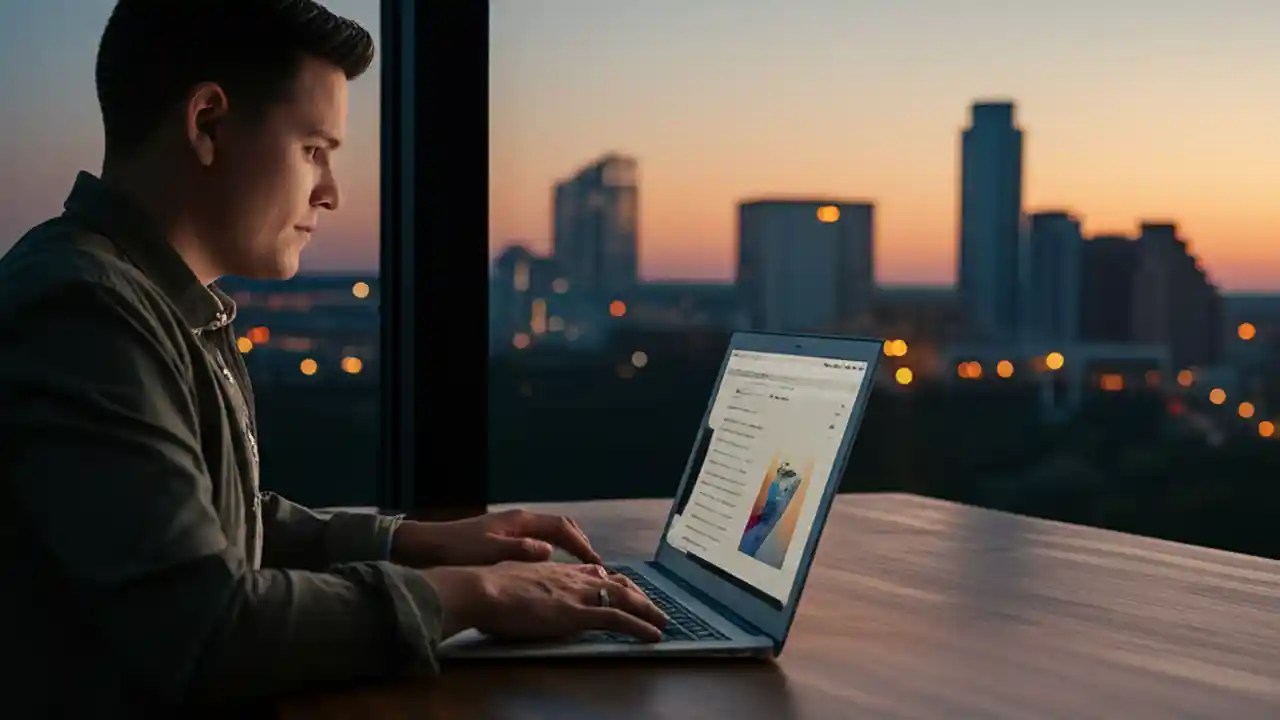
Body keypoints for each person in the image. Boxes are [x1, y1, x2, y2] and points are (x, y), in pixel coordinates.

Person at [0, 0, 665, 715]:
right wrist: (480, 593)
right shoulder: (83, 310)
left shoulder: (149, 300)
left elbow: (217, 527)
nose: (331, 192)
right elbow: (207, 624)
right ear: (208, 125)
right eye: (314, 148)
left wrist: (417, 543)